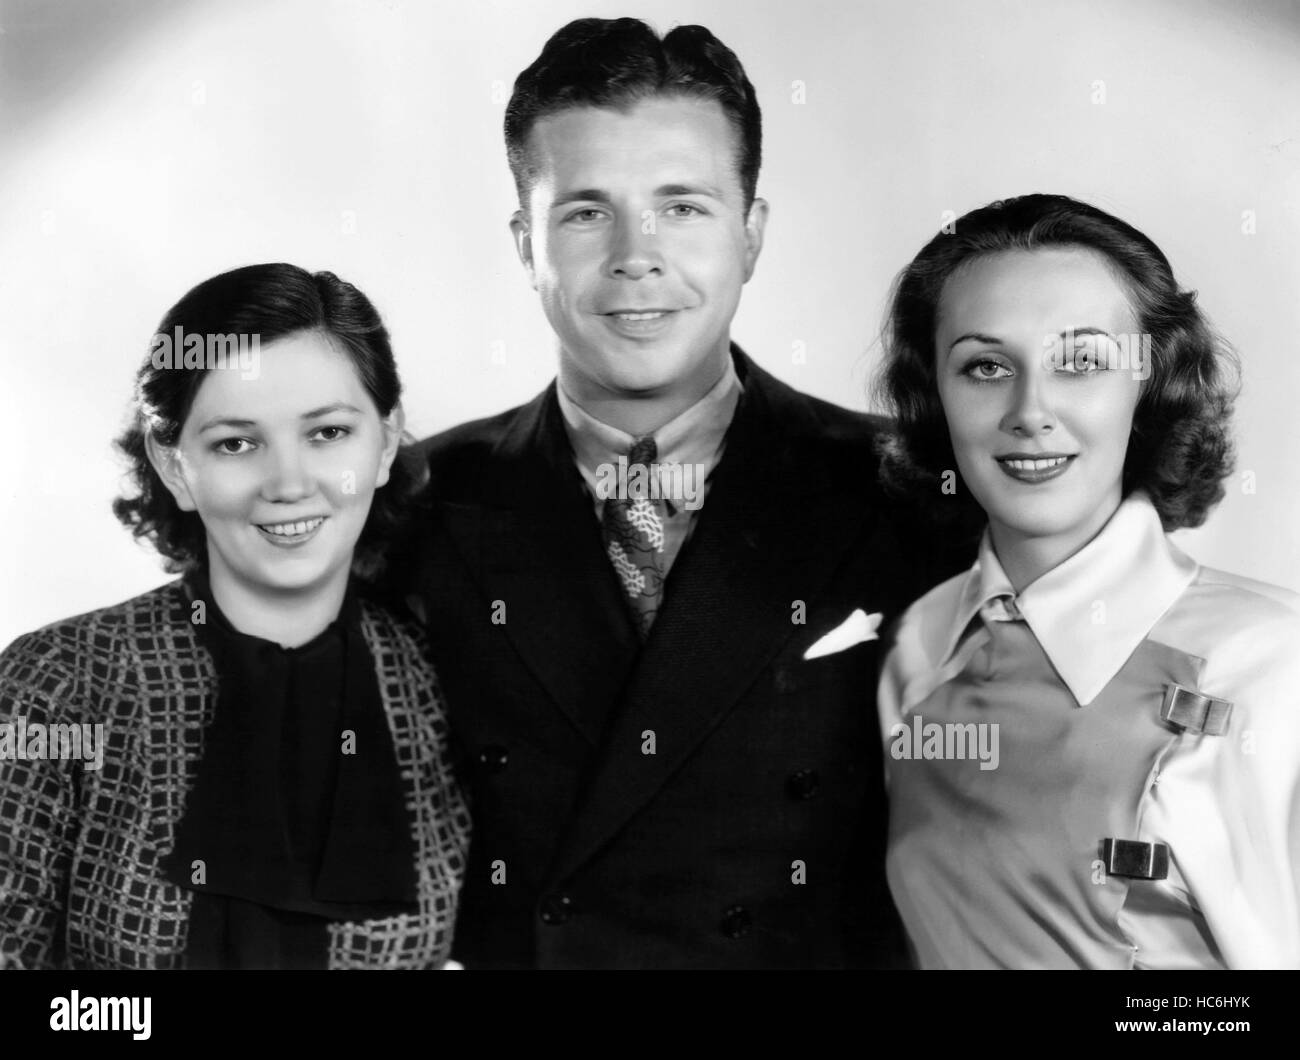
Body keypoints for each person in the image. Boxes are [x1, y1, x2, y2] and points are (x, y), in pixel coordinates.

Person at [396, 17, 964, 968]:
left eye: (684, 208)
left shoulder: (913, 491)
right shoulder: (416, 503)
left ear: (751, 235)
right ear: (522, 243)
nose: (635, 256)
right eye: (585, 212)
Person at [0, 264, 470, 969]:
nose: (288, 484)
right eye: (235, 444)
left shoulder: (441, 685)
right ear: (173, 465)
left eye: (329, 433)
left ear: (385, 441)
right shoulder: (59, 688)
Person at [874, 193, 1300, 969]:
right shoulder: (918, 646)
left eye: (1081, 363)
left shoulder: (1277, 664)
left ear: (1150, 387)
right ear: (933, 394)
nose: (1030, 411)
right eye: (986, 366)